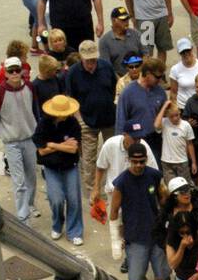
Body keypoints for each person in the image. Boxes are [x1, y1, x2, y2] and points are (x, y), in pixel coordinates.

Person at [110, 144, 169, 280]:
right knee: (136, 276)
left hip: (156, 234)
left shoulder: (155, 176)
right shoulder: (121, 182)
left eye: (141, 161)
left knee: (162, 273)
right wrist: (115, 239)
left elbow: (164, 200)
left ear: (146, 160)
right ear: (128, 160)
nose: (138, 165)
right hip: (135, 236)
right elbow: (114, 211)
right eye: (134, 161)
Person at [0, 56, 39, 221]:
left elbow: (35, 110)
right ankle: (23, 217)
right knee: (19, 181)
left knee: (31, 176)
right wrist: (3, 134)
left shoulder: (29, 88)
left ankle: (30, 205)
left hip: (29, 138)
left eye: (18, 69)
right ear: (6, 73)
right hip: (11, 142)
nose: (15, 73)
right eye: (11, 71)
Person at [66, 40, 117, 194]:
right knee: (89, 158)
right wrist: (80, 120)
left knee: (112, 154)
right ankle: (91, 191)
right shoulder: (73, 73)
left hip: (109, 119)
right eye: (88, 60)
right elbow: (71, 99)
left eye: (93, 59)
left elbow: (113, 88)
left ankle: (112, 187)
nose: (91, 63)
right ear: (81, 57)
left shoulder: (106, 67)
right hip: (87, 121)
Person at [35, 95, 84, 245]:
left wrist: (51, 145)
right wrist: (62, 145)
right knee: (56, 199)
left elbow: (74, 148)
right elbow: (41, 151)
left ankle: (74, 231)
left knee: (74, 199)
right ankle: (57, 224)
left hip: (70, 166)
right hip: (51, 168)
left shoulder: (73, 123)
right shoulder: (43, 124)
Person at [115, 56, 167, 156]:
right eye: (157, 77)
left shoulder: (160, 92)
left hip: (155, 141)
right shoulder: (128, 92)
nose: (160, 80)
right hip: (135, 140)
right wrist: (120, 144)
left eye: (161, 76)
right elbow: (120, 120)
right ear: (147, 74)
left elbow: (164, 118)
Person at [154, 98, 196, 184]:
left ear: (180, 113)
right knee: (170, 187)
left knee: (184, 187)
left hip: (182, 161)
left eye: (177, 115)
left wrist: (193, 162)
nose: (175, 118)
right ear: (167, 116)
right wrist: (164, 107)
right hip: (167, 162)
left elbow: (190, 144)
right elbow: (156, 125)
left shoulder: (186, 125)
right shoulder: (165, 122)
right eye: (171, 116)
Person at [99, 7, 143, 78]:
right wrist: (121, 81)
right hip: (117, 79)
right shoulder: (104, 41)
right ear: (114, 20)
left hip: (138, 76)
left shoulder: (136, 34)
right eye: (123, 19)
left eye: (127, 19)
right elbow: (107, 66)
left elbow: (146, 56)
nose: (126, 22)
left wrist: (140, 75)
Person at [168, 39, 198, 108]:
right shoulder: (174, 69)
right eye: (183, 52)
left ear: (192, 48)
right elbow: (173, 93)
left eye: (187, 50)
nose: (186, 54)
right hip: (183, 107)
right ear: (179, 53)